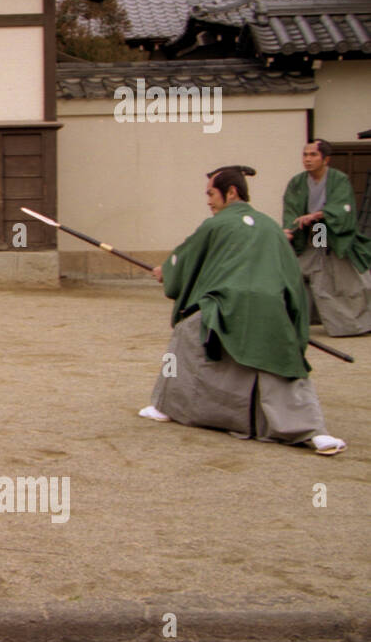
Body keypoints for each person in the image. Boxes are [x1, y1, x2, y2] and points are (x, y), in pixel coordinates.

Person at [139, 165, 345, 454]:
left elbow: (185, 259)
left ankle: (166, 407)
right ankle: (313, 431)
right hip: (272, 307)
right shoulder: (271, 226)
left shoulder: (216, 224)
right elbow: (291, 276)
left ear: (231, 192)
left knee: (186, 334)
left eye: (211, 193)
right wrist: (291, 316)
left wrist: (167, 272)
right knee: (282, 364)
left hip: (225, 306)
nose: (208, 200)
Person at [282, 139, 371, 337]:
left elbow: (343, 207)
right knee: (303, 275)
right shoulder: (297, 182)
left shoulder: (339, 179)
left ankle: (352, 325)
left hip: (331, 232)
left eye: (313, 155)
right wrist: (289, 229)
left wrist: (316, 215)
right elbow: (291, 211)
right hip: (310, 233)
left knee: (349, 283)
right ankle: (295, 323)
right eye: (305, 155)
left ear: (326, 159)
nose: (307, 159)